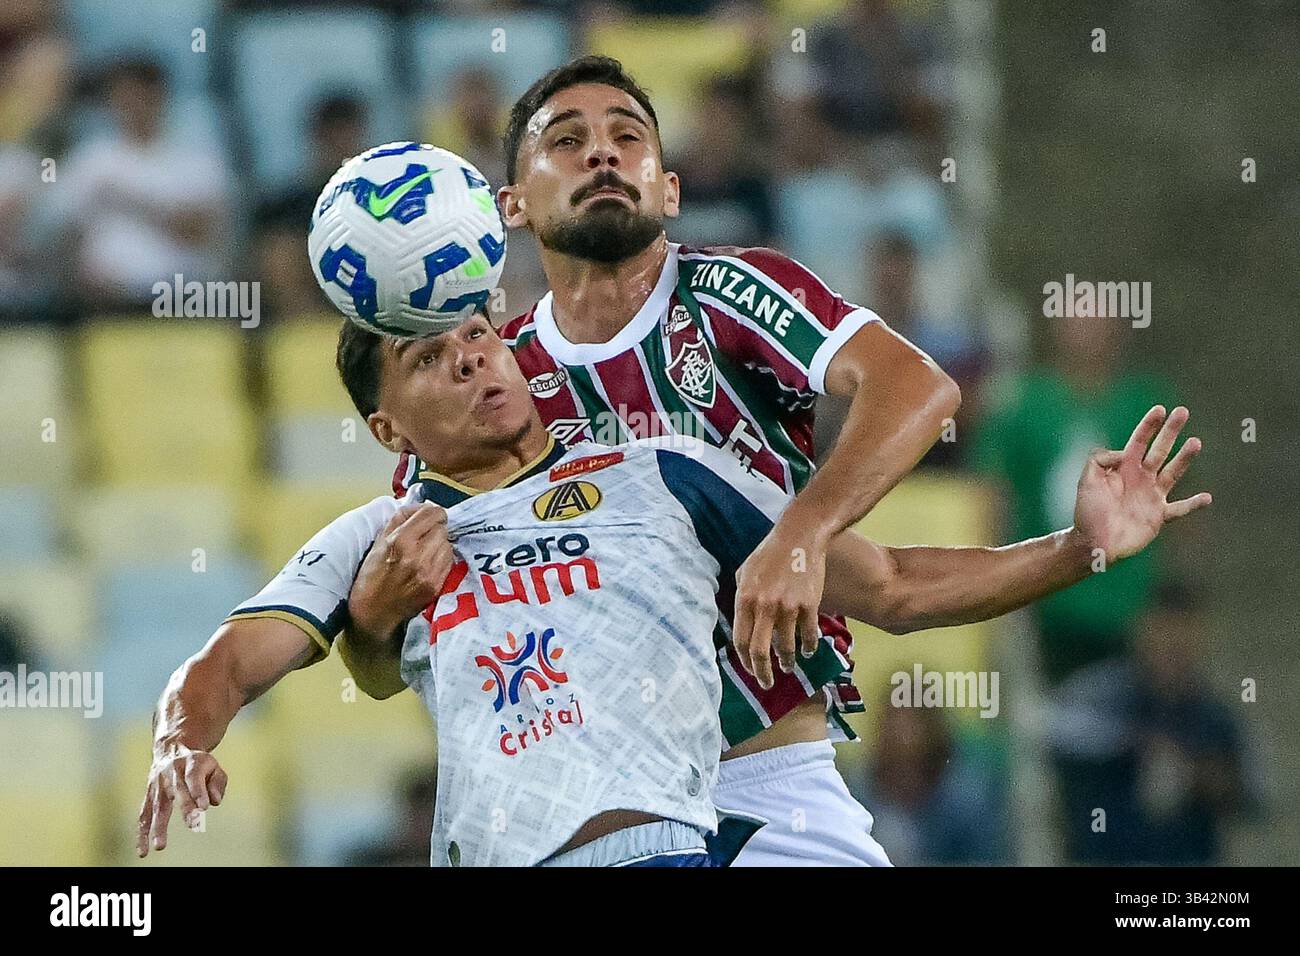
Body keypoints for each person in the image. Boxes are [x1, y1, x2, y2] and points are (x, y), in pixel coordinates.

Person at [136, 310, 1208, 866]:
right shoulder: (381, 539)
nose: (471, 360)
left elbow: (890, 585)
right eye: (427, 360)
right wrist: (183, 735)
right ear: (385, 427)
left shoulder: (661, 468)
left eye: (476, 336)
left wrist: (1078, 547)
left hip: (678, 842)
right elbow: (226, 664)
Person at [372, 54, 965, 866]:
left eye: (628, 136)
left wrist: (802, 531)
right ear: (510, 204)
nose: (603, 153)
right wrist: (369, 623)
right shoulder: (487, 376)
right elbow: (386, 651)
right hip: (586, 811)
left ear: (670, 188)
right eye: (567, 140)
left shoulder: (730, 293)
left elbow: (917, 389)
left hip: (768, 785)